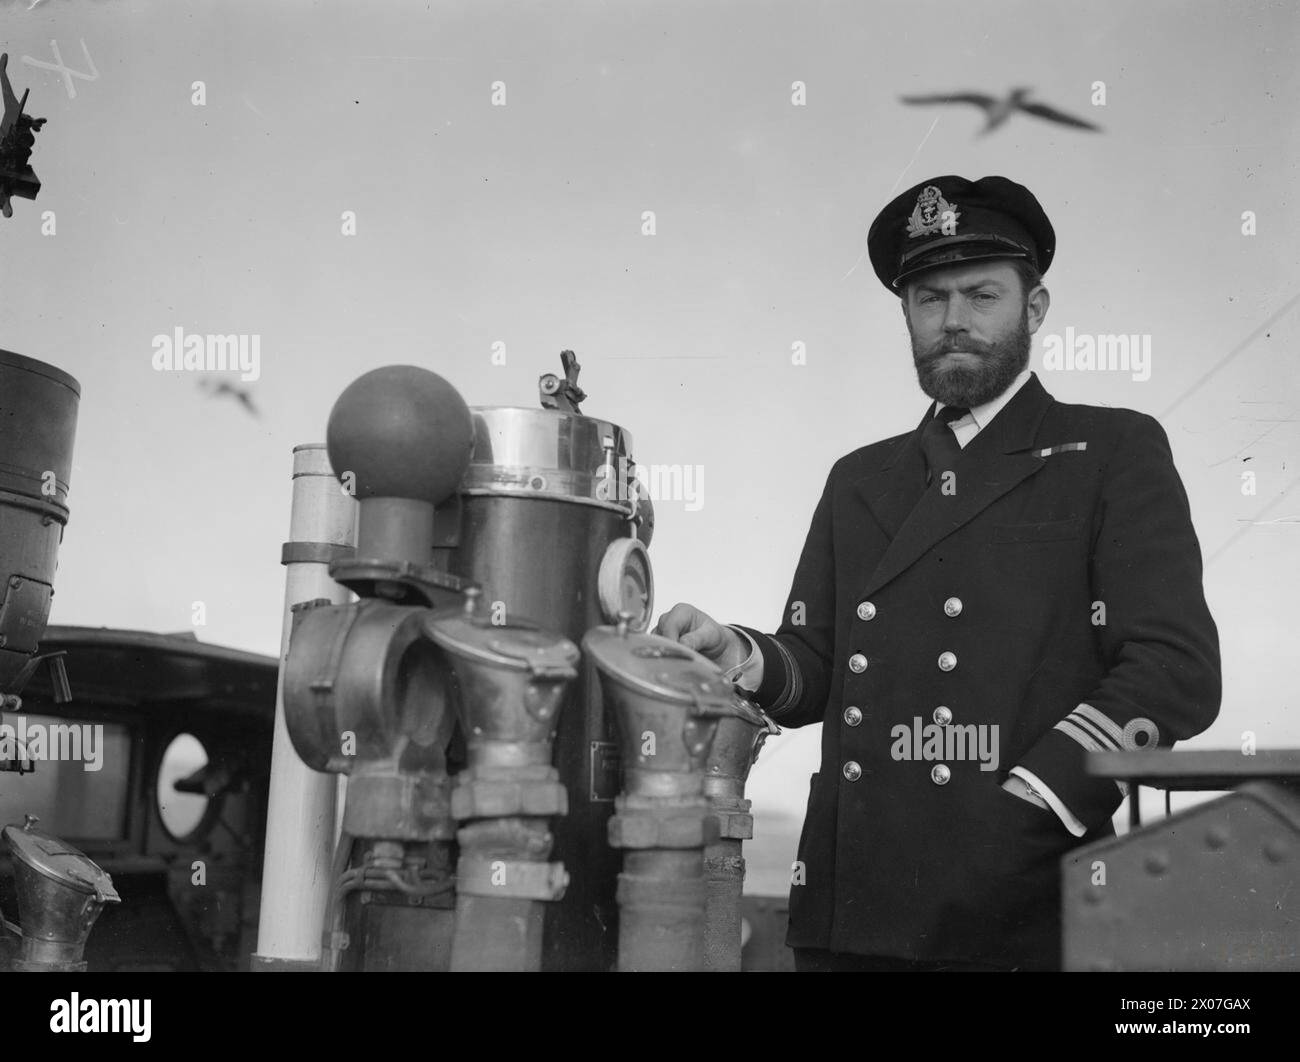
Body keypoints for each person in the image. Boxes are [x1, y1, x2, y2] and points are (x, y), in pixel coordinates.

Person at [654, 175, 1221, 972]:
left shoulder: (1110, 451)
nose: (953, 321)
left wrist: (1035, 800)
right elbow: (816, 664)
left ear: (1036, 307)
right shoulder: (861, 476)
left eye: (980, 294)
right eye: (928, 299)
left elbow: (1174, 669)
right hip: (856, 896)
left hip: (1021, 902)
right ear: (906, 315)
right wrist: (738, 654)